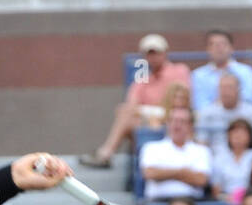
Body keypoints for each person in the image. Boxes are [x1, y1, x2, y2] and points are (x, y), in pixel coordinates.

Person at [80, 33, 191, 166]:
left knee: (126, 112)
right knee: (124, 111)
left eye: (156, 53)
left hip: (173, 117)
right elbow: (131, 104)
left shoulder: (179, 70)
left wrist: (150, 108)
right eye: (149, 54)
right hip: (148, 120)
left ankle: (106, 153)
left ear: (165, 53)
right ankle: (107, 153)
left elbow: (182, 99)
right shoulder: (142, 79)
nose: (153, 57)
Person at [138, 105, 210, 201]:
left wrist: (164, 174)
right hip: (157, 203)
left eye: (182, 121)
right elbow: (149, 173)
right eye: (173, 120)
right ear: (167, 123)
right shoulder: (151, 147)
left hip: (191, 204)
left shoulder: (202, 150)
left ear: (190, 126)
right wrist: (183, 172)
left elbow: (201, 179)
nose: (177, 125)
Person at [190, 31, 252, 113]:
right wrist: (224, 105)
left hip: (242, 120)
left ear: (232, 48)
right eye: (214, 45)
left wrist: (229, 104)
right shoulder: (198, 75)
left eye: (223, 44)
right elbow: (199, 105)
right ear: (207, 49)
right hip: (211, 121)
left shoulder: (246, 72)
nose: (218, 48)